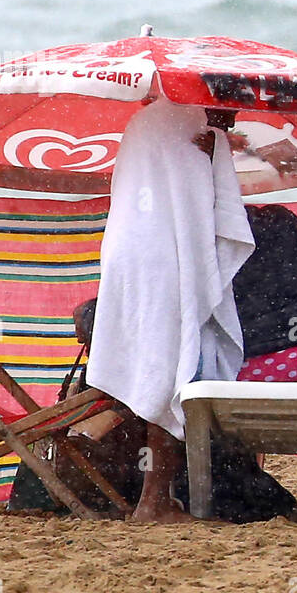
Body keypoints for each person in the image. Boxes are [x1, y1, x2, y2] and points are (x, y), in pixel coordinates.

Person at [86, 101, 255, 523]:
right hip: (166, 263)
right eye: (230, 113)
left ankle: (158, 498)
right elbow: (209, 215)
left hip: (130, 258)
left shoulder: (148, 120)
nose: (233, 123)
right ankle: (153, 503)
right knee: (172, 373)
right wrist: (216, 154)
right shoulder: (198, 128)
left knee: (155, 368)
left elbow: (163, 195)